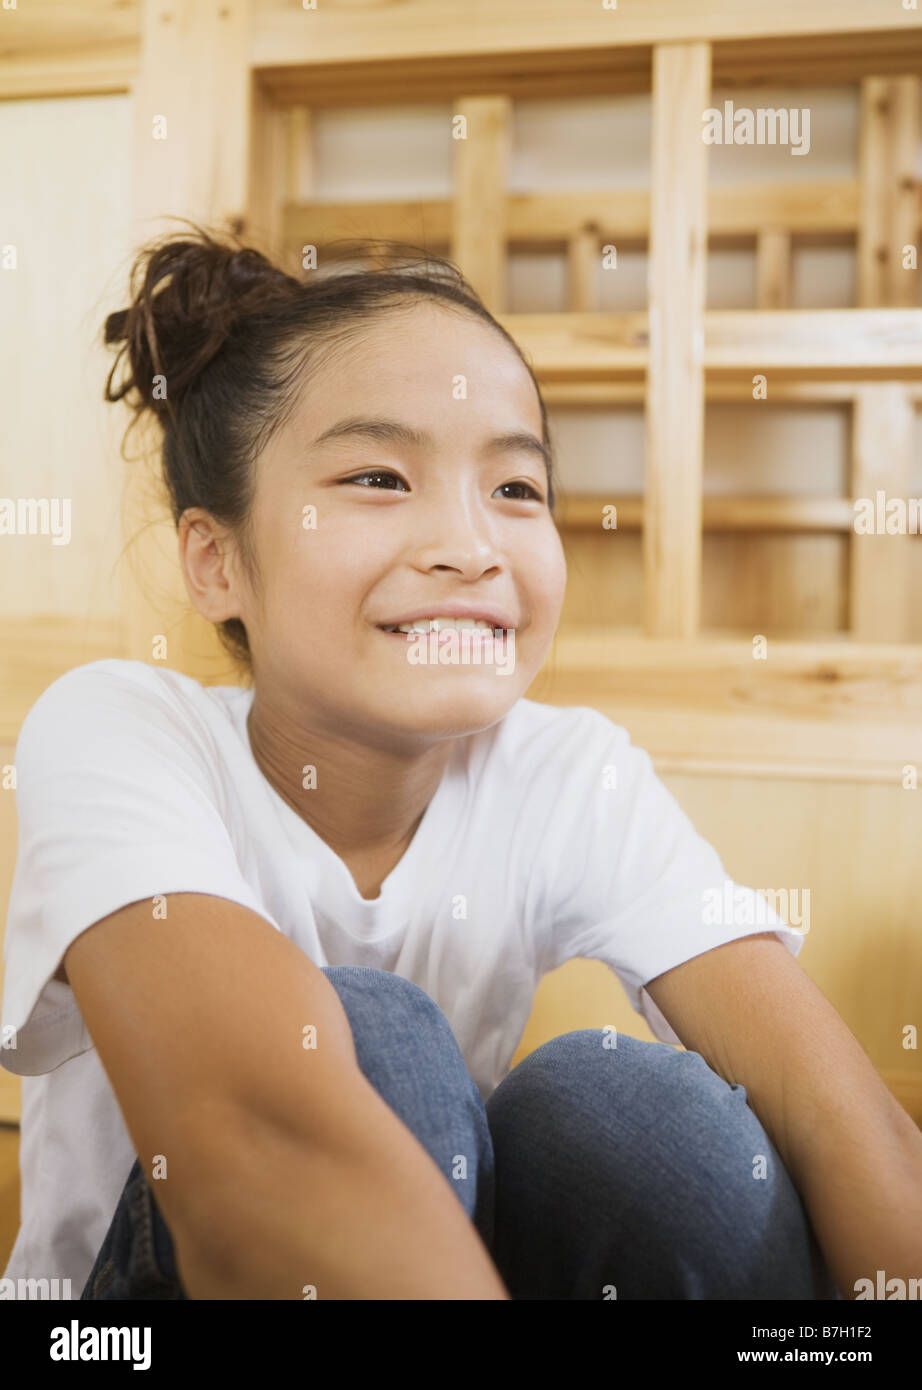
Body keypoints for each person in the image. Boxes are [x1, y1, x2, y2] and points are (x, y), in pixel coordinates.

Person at [2, 226, 918, 1301]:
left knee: (620, 1104)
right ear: (217, 560)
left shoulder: (565, 770)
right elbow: (256, 1147)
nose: (471, 545)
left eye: (517, 489)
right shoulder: (118, 729)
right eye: (380, 477)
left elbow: (842, 1121)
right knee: (373, 1038)